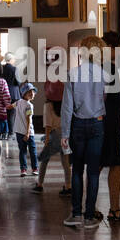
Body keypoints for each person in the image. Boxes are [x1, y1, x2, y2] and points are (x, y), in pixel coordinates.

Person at [61, 35, 109, 229]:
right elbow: (107, 101)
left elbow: (67, 107)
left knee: (77, 170)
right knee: (94, 173)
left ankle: (76, 214)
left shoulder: (73, 74)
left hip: (78, 125)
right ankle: (90, 216)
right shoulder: (106, 75)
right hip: (98, 124)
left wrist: (65, 133)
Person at [100, 31, 120, 225]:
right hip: (111, 121)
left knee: (97, 164)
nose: (118, 52)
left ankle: (89, 208)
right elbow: (118, 99)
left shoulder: (91, 67)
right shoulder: (109, 67)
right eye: (117, 48)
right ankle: (114, 208)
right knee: (117, 163)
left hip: (97, 119)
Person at [40, 46, 71, 196]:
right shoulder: (65, 104)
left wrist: (46, 138)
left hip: (53, 135)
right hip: (65, 134)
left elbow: (47, 124)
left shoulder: (47, 106)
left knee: (44, 160)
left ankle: (39, 184)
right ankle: (68, 185)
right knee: (65, 162)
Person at [14, 84, 38, 176]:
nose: (32, 94)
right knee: (32, 151)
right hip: (28, 133)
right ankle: (34, 168)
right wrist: (27, 133)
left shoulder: (18, 102)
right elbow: (28, 119)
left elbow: (11, 106)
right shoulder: (29, 105)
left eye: (33, 92)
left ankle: (23, 170)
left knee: (22, 151)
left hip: (19, 131)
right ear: (24, 94)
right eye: (29, 93)